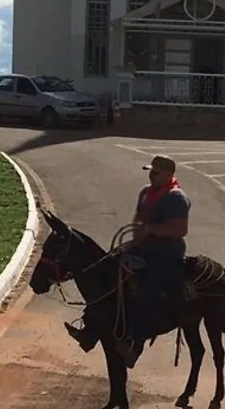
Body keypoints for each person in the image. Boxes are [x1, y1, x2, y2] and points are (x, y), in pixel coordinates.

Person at [63, 155, 191, 363]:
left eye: (156, 172)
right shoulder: (146, 193)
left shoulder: (176, 198)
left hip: (167, 254)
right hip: (142, 248)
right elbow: (138, 221)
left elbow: (179, 229)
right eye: (150, 171)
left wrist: (151, 230)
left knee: (148, 290)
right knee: (107, 273)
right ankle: (91, 328)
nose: (151, 175)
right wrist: (137, 237)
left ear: (168, 175)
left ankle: (134, 342)